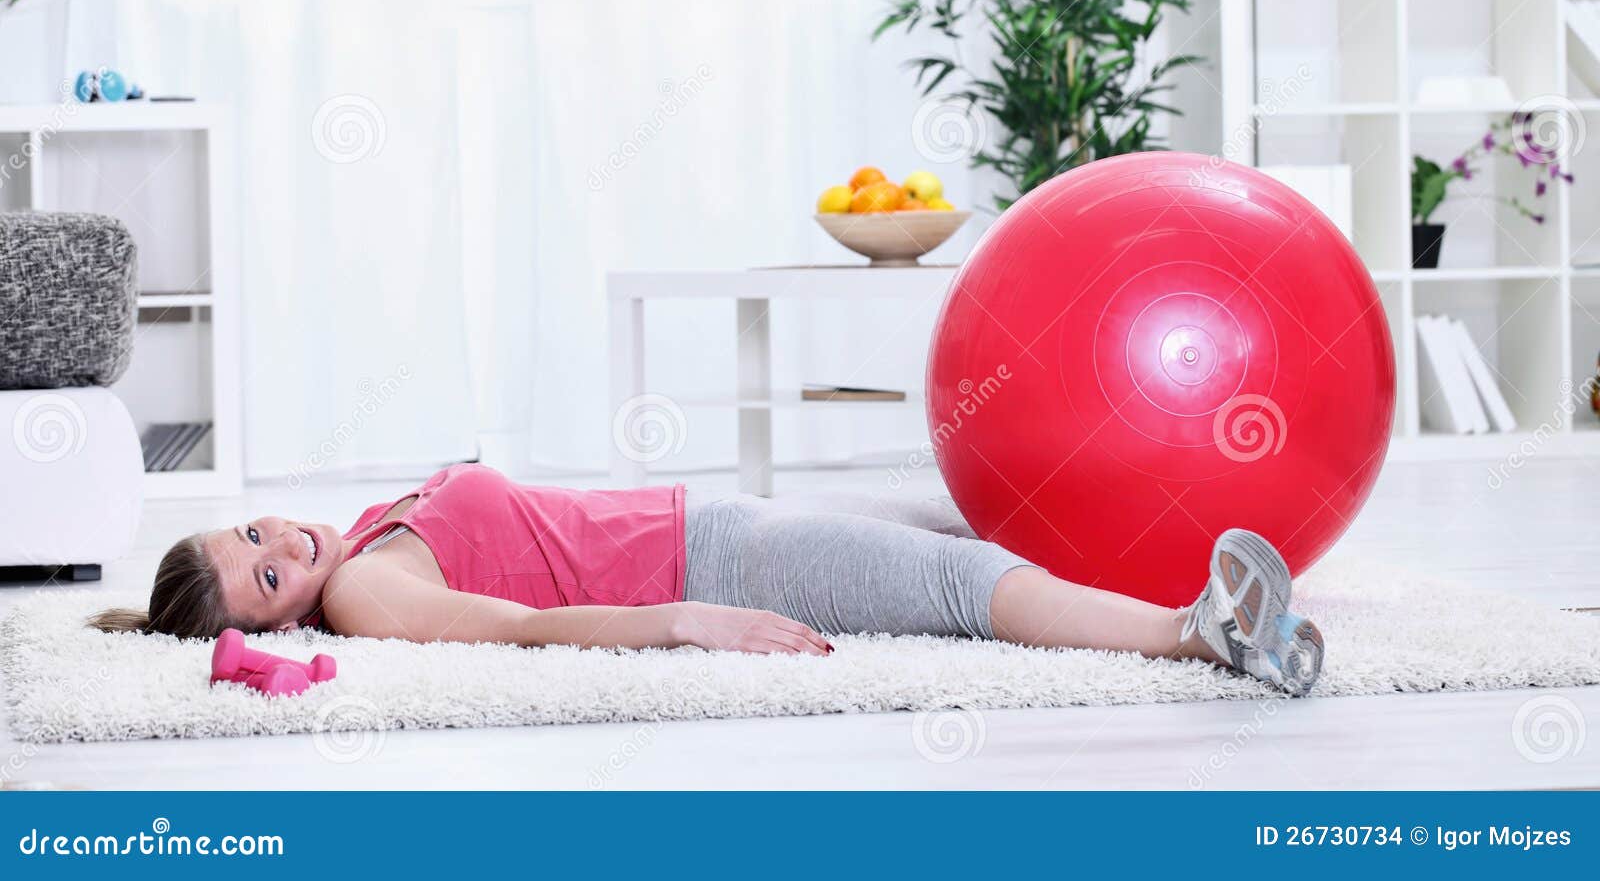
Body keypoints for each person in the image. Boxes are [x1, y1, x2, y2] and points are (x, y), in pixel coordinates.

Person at [90, 462, 1324, 695]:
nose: (276, 550)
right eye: (259, 582)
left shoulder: (360, 538)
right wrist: (680, 620)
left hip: (717, 517)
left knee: (960, 536)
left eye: (248, 535)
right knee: (957, 581)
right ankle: (1194, 635)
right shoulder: (368, 596)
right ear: (284, 617)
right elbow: (521, 628)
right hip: (718, 557)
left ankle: (1199, 602)